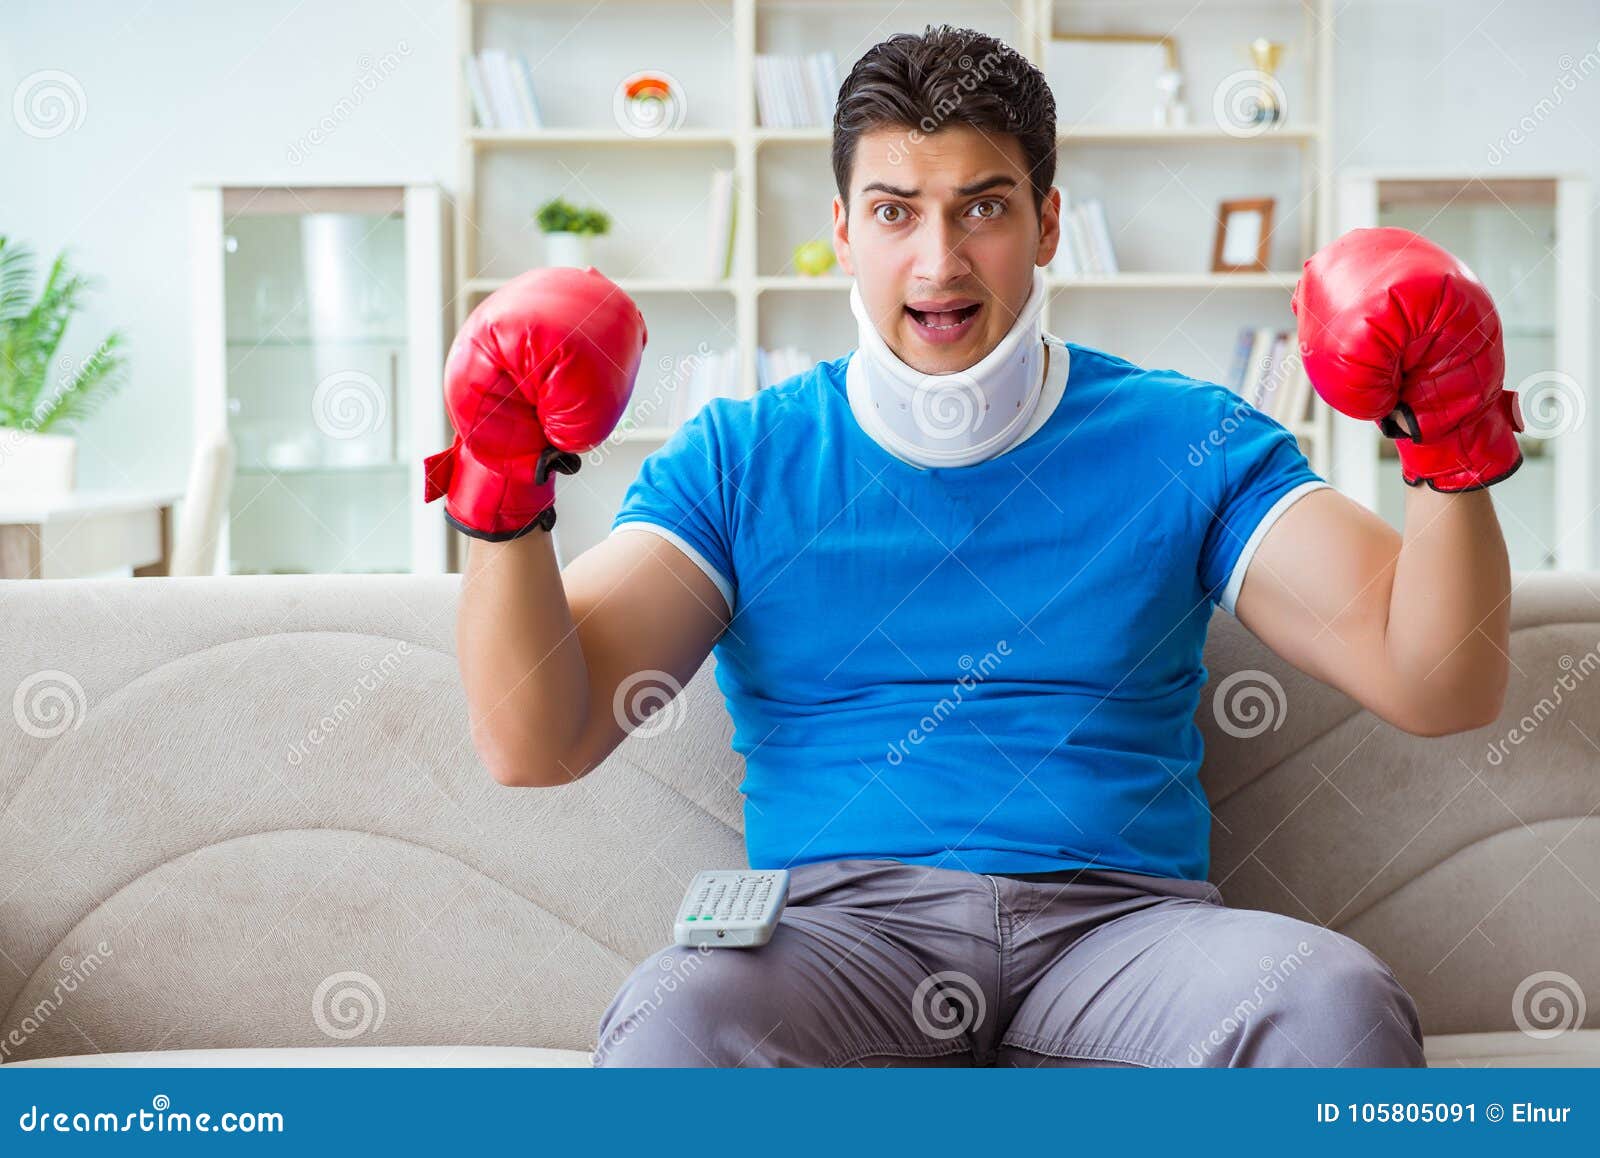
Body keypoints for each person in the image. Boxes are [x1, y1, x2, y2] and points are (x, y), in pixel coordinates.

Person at [425, 25, 1520, 1067]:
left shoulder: (1186, 439)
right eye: (895, 212)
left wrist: (1453, 441)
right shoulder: (742, 458)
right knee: (674, 1021)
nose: (938, 261)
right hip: (835, 944)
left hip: (1123, 936)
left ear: (1046, 223)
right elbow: (536, 743)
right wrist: (500, 484)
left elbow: (1438, 682)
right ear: (844, 231)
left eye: (980, 209)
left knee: (1332, 1005)